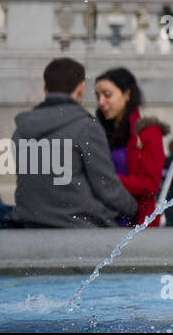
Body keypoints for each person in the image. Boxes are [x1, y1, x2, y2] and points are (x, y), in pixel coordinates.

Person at [12, 57, 137, 228]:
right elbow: (107, 188)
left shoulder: (22, 130)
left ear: (45, 89)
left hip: (30, 224)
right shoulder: (85, 127)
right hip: (79, 227)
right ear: (80, 88)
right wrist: (134, 208)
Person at [94, 67, 168, 227]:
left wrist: (108, 181)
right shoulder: (96, 132)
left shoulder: (148, 132)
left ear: (127, 94)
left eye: (107, 95)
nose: (101, 102)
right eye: (98, 96)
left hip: (137, 223)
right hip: (102, 221)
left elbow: (149, 185)